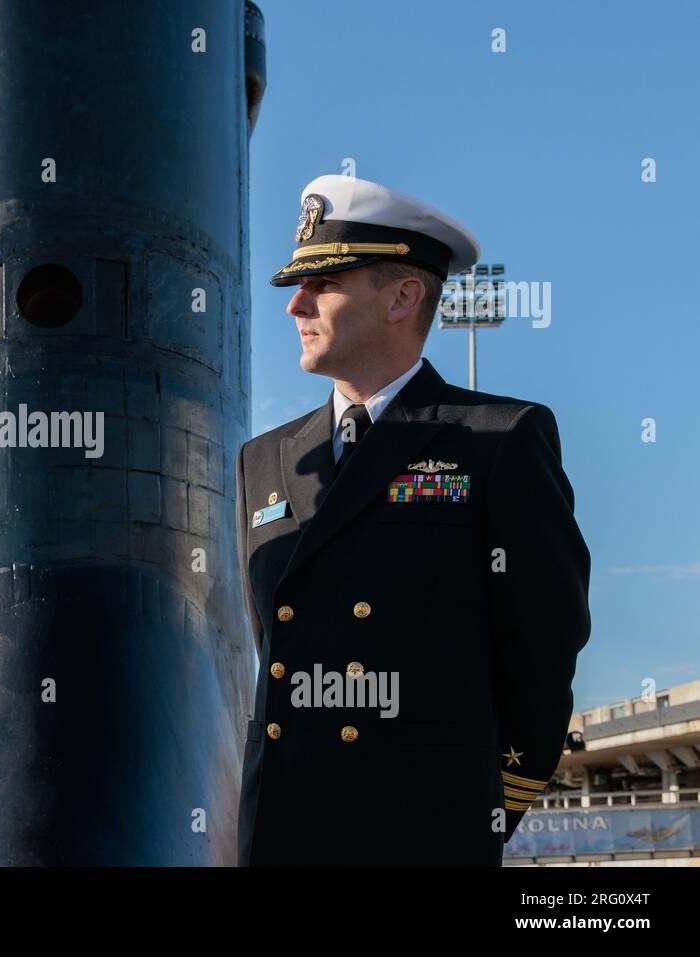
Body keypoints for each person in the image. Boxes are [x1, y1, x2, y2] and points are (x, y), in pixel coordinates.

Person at [235, 175, 591, 865]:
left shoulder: (498, 438)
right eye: (293, 285)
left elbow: (545, 644)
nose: (294, 306)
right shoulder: (265, 459)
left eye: (325, 284)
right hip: (283, 830)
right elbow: (277, 654)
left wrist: (487, 799)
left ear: (403, 296)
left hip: (423, 828)